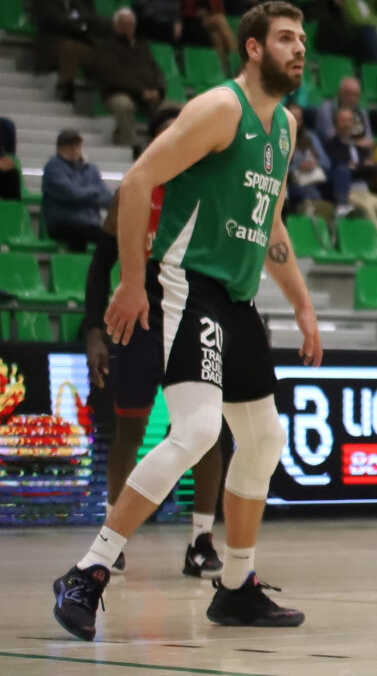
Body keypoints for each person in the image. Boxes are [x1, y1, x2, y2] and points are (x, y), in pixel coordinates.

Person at [51, 1, 319, 639]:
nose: (298, 48)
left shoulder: (283, 127)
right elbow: (138, 180)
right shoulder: (221, 109)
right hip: (188, 282)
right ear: (253, 48)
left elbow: (271, 226)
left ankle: (236, 586)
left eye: (303, 39)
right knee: (198, 430)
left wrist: (303, 303)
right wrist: (134, 281)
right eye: (285, 38)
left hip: (238, 297)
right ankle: (88, 571)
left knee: (263, 442)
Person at [80, 105, 226, 579]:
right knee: (129, 432)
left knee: (206, 431)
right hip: (142, 322)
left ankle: (201, 539)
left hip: (192, 316)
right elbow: (101, 264)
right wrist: (94, 331)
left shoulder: (207, 192)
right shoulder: (134, 191)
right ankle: (112, 536)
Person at [89, 9, 167, 147]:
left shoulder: (142, 45)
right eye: (124, 23)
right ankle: (128, 144)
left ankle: (163, 145)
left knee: (174, 109)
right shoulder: (106, 46)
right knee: (124, 105)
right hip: (117, 93)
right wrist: (141, 91)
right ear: (115, 25)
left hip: (148, 94)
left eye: (131, 23)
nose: (128, 27)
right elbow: (114, 76)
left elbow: (156, 71)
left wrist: (158, 90)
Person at [324, 108, 377, 237]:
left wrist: (356, 167)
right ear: (336, 124)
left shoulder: (360, 147)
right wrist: (363, 167)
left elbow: (375, 170)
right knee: (367, 209)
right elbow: (340, 168)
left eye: (349, 120)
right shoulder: (331, 145)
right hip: (349, 193)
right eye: (343, 121)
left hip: (366, 192)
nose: (347, 124)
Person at [43, 129, 116, 255]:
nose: (74, 148)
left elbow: (107, 198)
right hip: (63, 223)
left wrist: (85, 195)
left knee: (114, 237)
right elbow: (71, 194)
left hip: (89, 223)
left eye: (77, 145)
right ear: (60, 148)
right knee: (107, 239)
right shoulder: (53, 168)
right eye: (70, 145)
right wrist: (94, 193)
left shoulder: (91, 168)